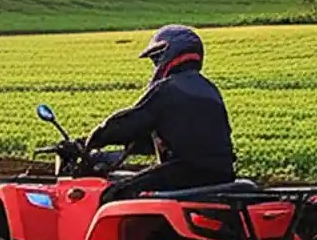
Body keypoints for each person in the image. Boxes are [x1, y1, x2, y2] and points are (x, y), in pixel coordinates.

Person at [88, 24, 237, 203]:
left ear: (169, 54)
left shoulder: (168, 89)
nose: (156, 65)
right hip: (222, 174)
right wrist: (108, 156)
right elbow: (159, 140)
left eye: (157, 59)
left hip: (186, 173)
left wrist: (95, 138)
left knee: (113, 195)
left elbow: (130, 123)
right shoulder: (210, 90)